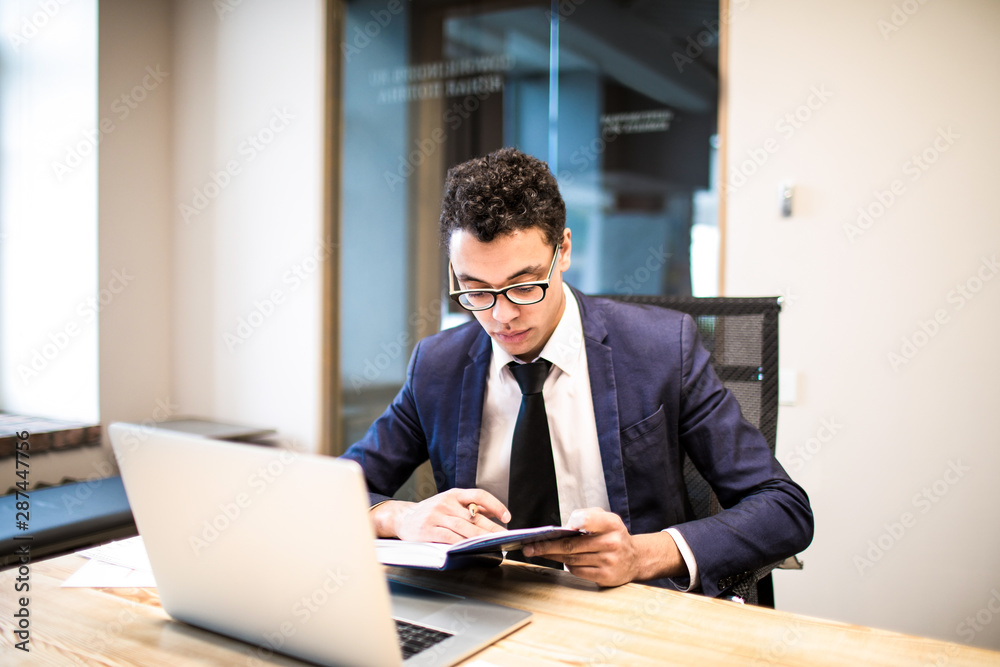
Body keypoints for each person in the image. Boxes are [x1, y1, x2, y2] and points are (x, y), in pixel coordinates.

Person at [342, 147, 813, 597]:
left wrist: (643, 554)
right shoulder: (438, 366)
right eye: (475, 290)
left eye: (523, 286)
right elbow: (337, 490)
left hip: (625, 607)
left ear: (562, 250)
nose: (501, 316)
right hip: (486, 605)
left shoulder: (663, 350)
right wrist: (398, 518)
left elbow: (783, 508)